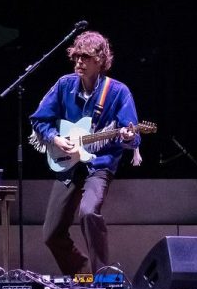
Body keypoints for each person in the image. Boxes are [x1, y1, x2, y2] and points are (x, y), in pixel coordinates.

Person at [30, 30, 141, 275]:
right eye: (77, 56)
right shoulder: (64, 85)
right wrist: (55, 139)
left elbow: (133, 135)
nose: (79, 62)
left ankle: (103, 277)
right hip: (68, 164)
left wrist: (129, 136)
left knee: (89, 212)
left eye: (85, 57)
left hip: (98, 165)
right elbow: (39, 120)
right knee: (51, 233)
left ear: (100, 59)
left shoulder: (118, 92)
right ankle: (82, 274)